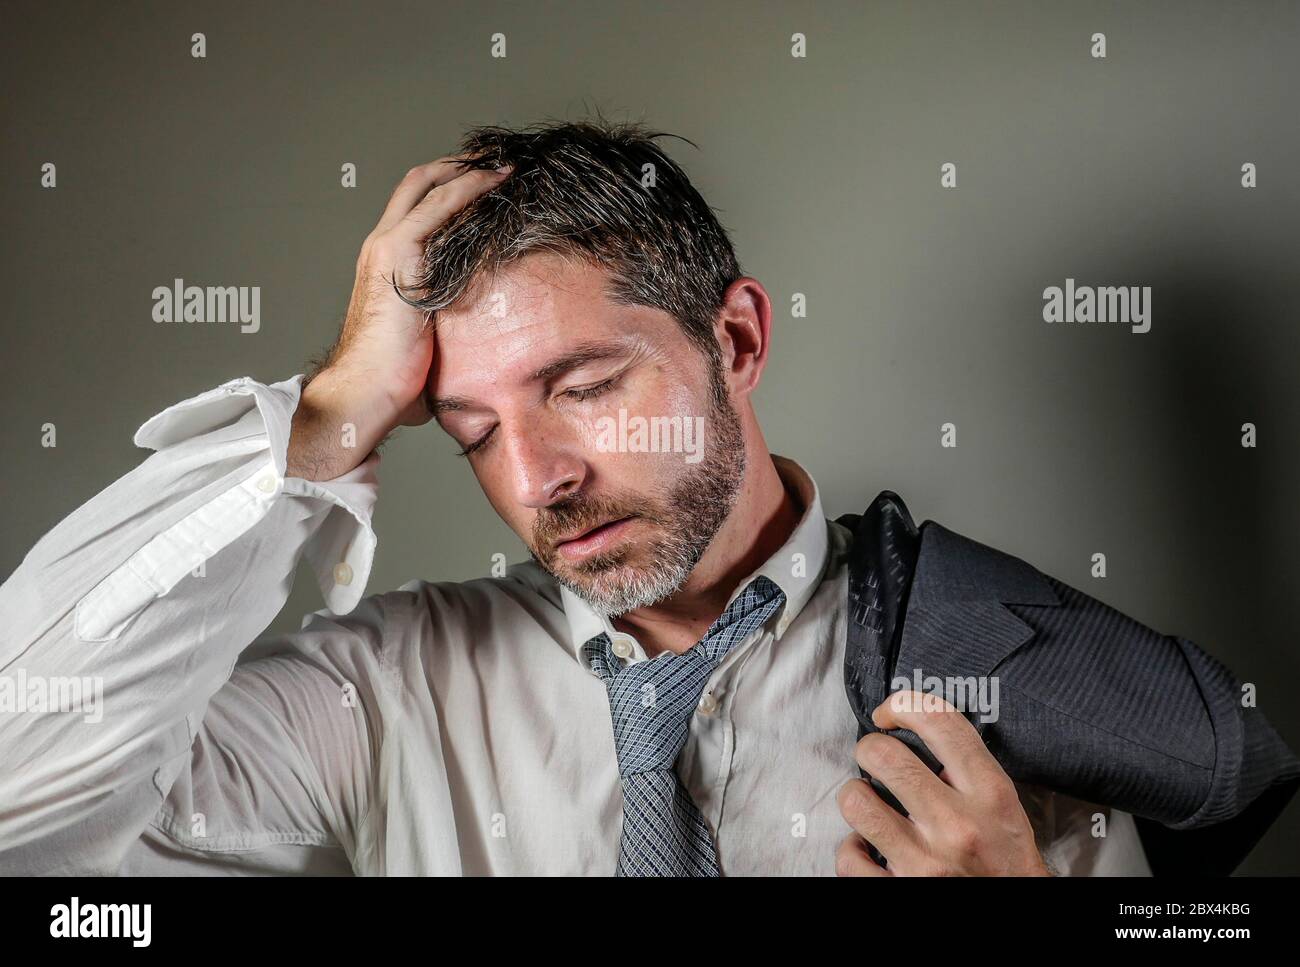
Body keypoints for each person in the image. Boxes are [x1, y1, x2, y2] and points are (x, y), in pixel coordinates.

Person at [0, 120, 1152, 875]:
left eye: (587, 386)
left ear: (737, 338)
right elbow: (22, 794)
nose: (537, 478)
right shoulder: (385, 693)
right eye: (475, 433)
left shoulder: (1009, 682)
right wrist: (329, 413)